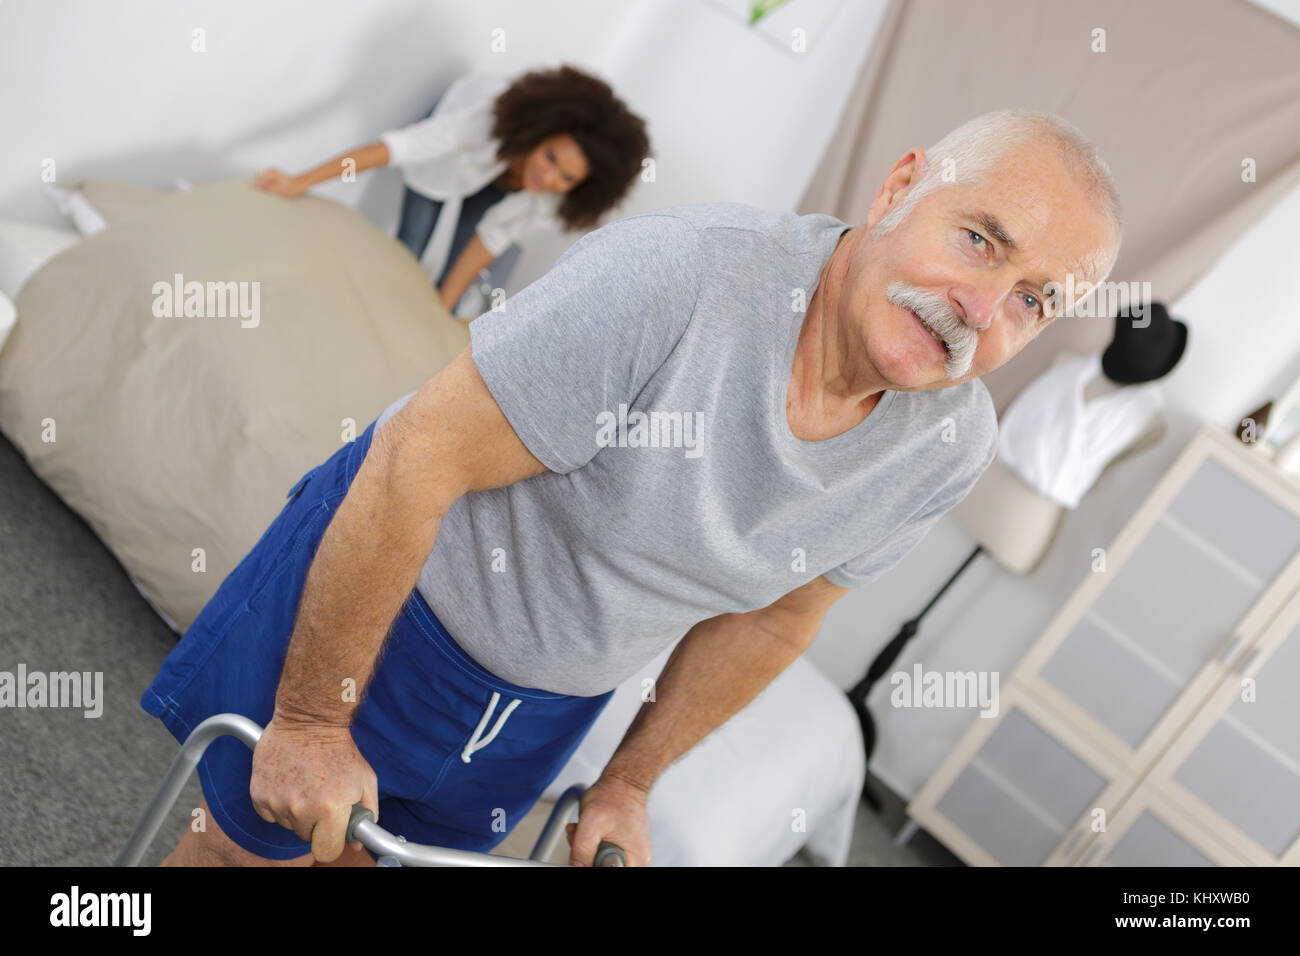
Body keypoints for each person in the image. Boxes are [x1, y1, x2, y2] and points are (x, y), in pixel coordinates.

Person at [142, 109, 1121, 867]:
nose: (981, 308)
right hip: (396, 605)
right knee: (238, 848)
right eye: (981, 240)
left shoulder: (948, 444)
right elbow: (415, 459)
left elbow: (776, 618)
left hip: (548, 700)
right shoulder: (681, 279)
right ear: (900, 184)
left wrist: (629, 781)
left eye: (1035, 301)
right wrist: (313, 721)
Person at [254, 64, 650, 313]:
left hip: (499, 180)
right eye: (550, 158)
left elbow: (490, 238)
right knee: (411, 246)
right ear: (541, 132)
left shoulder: (548, 193)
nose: (549, 180)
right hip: (451, 155)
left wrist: (440, 316)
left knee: (445, 290)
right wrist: (299, 181)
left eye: (567, 177)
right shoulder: (481, 122)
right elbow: (396, 148)